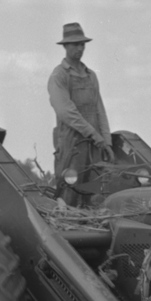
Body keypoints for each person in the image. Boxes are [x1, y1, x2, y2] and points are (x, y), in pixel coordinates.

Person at [48, 22, 114, 207]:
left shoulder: (90, 75)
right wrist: (94, 135)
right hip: (71, 145)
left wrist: (107, 142)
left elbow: (99, 110)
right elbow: (66, 112)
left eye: (82, 44)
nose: (79, 48)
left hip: (94, 145)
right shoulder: (59, 76)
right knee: (69, 190)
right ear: (65, 46)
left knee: (94, 194)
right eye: (75, 44)